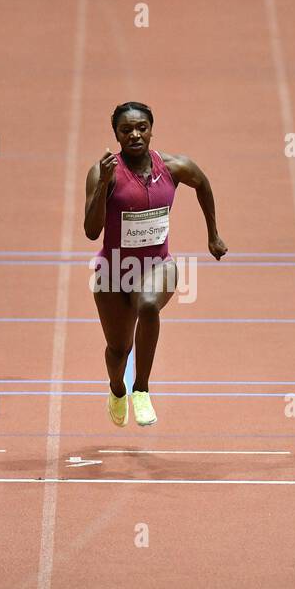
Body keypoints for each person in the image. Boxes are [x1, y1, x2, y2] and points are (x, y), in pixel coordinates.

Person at [84, 101, 227, 426]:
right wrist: (104, 185)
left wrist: (213, 235)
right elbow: (92, 232)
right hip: (113, 271)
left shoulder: (174, 167)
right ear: (117, 135)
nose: (134, 134)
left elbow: (202, 183)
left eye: (141, 128)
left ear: (150, 129)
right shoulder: (102, 172)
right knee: (118, 350)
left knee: (148, 305)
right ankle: (117, 388)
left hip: (158, 265)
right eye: (126, 130)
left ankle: (142, 389)